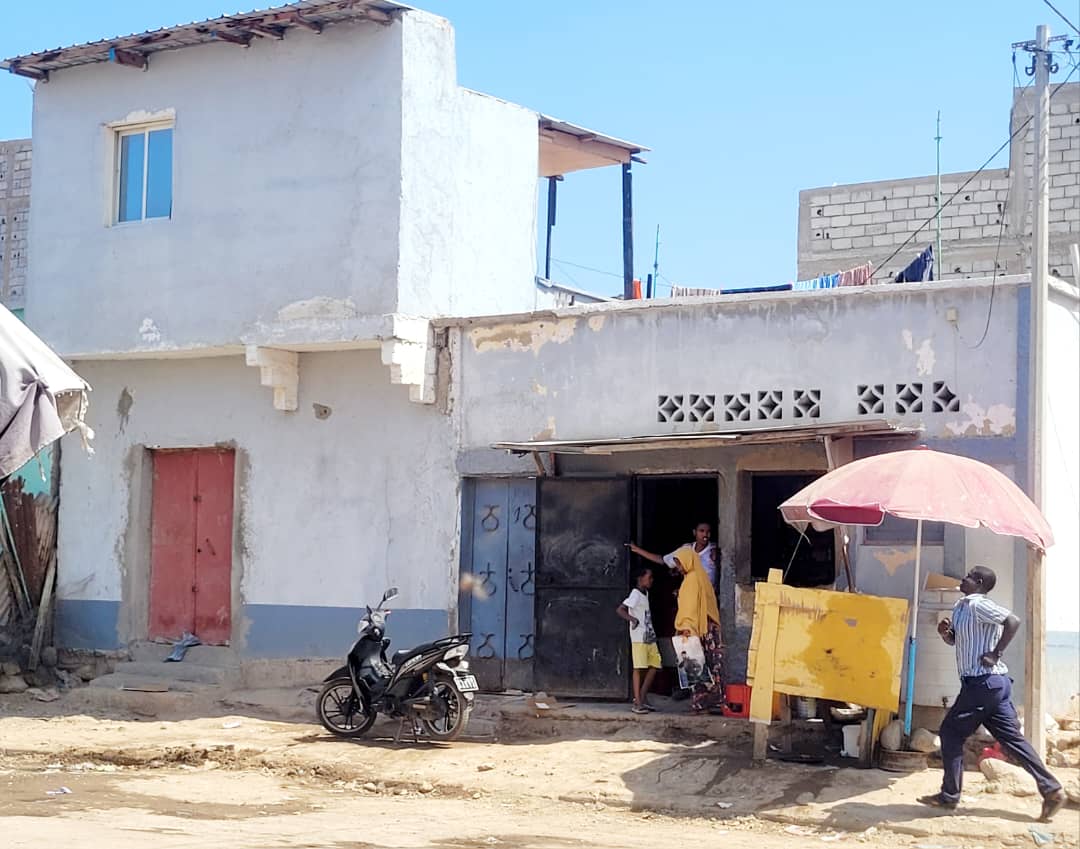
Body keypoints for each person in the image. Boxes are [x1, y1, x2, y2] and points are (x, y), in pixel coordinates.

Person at [918, 565, 1065, 822]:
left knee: (951, 732)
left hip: (983, 683)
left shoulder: (977, 604)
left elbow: (1012, 620)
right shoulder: (962, 607)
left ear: (978, 582)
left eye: (968, 576)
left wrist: (996, 653)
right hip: (991, 685)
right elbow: (960, 641)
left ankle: (949, 796)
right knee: (1011, 740)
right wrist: (947, 634)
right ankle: (1051, 790)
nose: (962, 578)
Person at [670, 545, 725, 714]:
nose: (679, 568)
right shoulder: (702, 578)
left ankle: (700, 705)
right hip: (709, 629)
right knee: (711, 667)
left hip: (694, 629)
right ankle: (711, 703)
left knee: (696, 668)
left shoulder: (691, 581)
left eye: (679, 563)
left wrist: (686, 627)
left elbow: (690, 607)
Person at [616, 567, 660, 714]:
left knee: (655, 665)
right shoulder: (635, 594)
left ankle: (641, 697)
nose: (651, 580)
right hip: (639, 638)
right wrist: (633, 619)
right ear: (640, 579)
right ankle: (638, 703)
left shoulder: (645, 593)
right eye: (649, 577)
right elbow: (621, 609)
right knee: (638, 668)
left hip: (649, 636)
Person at [629, 521, 720, 591]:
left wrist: (718, 558)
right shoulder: (686, 549)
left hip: (709, 595)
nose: (705, 535)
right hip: (692, 594)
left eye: (708, 531)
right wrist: (637, 550)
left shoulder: (715, 549)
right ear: (694, 532)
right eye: (701, 531)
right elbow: (663, 560)